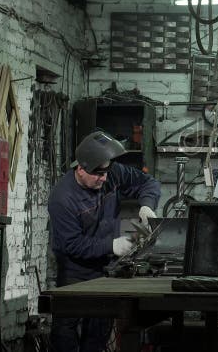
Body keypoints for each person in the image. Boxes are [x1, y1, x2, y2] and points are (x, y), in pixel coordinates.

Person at [48, 130, 161, 351]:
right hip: (75, 273)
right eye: (99, 174)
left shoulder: (111, 173)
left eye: (107, 171)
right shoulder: (62, 198)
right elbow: (72, 244)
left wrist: (147, 205)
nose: (105, 178)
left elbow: (148, 182)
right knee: (65, 336)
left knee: (98, 336)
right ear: (81, 168)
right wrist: (112, 245)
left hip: (106, 270)